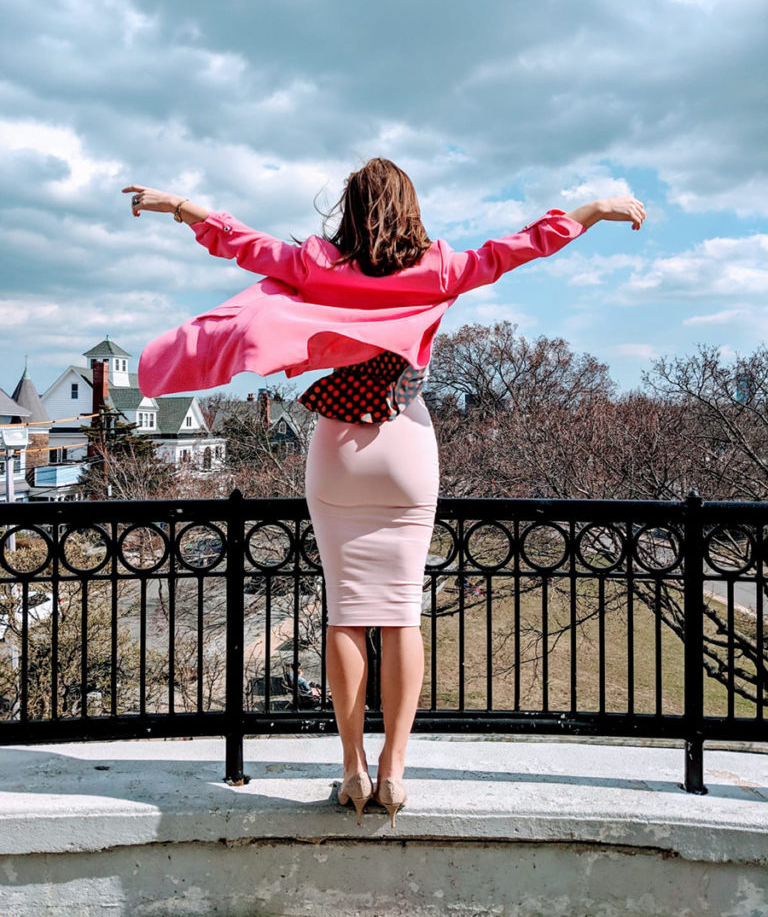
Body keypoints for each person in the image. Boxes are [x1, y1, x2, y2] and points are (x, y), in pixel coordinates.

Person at [123, 160, 645, 827]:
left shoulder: (317, 264)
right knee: (400, 614)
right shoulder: (441, 268)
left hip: (337, 448)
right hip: (405, 445)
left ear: (349, 208)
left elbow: (244, 243)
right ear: (410, 207)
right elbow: (519, 247)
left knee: (345, 614)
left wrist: (179, 205)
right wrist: (593, 209)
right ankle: (394, 770)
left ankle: (352, 768)